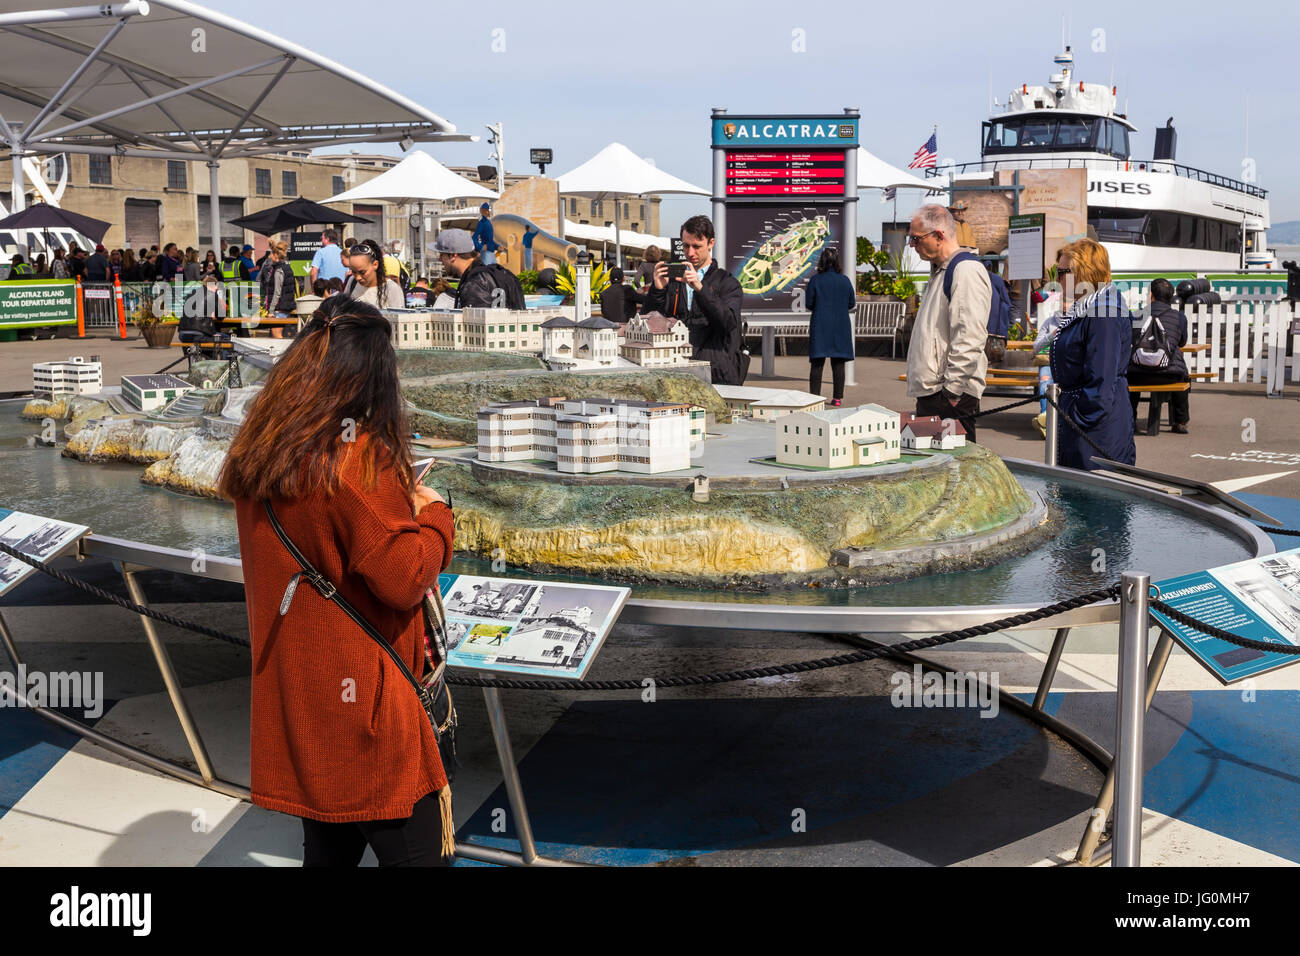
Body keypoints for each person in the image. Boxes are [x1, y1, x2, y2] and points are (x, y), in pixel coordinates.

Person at [216, 299, 456, 867]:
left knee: (329, 852)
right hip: (369, 706)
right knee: (422, 855)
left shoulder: (263, 446)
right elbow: (402, 578)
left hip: (307, 691)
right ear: (373, 376)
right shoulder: (355, 459)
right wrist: (437, 517)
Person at [905, 204, 990, 442]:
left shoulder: (964, 270)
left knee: (956, 470)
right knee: (939, 471)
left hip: (949, 394)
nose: (912, 245)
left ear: (939, 236)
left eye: (916, 239)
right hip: (937, 391)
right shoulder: (942, 270)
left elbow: (970, 335)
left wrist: (952, 391)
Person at [1048, 238, 1136, 470]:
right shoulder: (1091, 306)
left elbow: (1101, 377)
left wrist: (1078, 417)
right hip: (1085, 423)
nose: (1056, 279)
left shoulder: (1103, 312)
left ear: (1083, 272)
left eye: (1061, 272)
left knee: (1095, 500)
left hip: (1095, 430)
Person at [640, 215, 745, 385]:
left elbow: (728, 323)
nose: (690, 253)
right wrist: (657, 291)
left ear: (711, 243)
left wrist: (700, 288)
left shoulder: (728, 283)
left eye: (697, 246)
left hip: (716, 373)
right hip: (676, 372)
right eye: (686, 246)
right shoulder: (673, 281)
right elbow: (648, 323)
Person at [1127, 277, 1189, 434]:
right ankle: (1180, 421)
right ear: (1171, 297)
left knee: (1128, 376)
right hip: (1169, 374)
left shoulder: (1137, 315)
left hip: (1138, 373)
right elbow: (1181, 343)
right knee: (1183, 375)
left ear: (1151, 295)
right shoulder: (1179, 317)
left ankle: (1130, 419)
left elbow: (1130, 340)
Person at [805, 247, 856, 407]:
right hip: (840, 325)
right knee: (838, 363)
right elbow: (851, 303)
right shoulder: (845, 280)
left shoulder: (815, 280)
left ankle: (814, 399)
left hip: (820, 324)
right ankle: (837, 398)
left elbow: (808, 303)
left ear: (821, 261)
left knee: (817, 363)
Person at [434, 229, 525, 310]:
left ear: (453, 255)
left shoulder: (473, 283)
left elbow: (476, 325)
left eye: (442, 255)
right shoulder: (502, 273)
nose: (440, 259)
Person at [345, 238, 403, 309]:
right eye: (354, 272)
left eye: (362, 272)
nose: (358, 277)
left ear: (375, 265)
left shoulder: (392, 289)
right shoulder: (352, 281)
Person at [260, 239, 298, 330]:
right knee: (279, 335)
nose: (269, 256)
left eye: (271, 254)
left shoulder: (278, 270)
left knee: (277, 335)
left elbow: (277, 292)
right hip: (284, 306)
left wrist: (271, 310)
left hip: (279, 308)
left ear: (276, 255)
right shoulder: (286, 267)